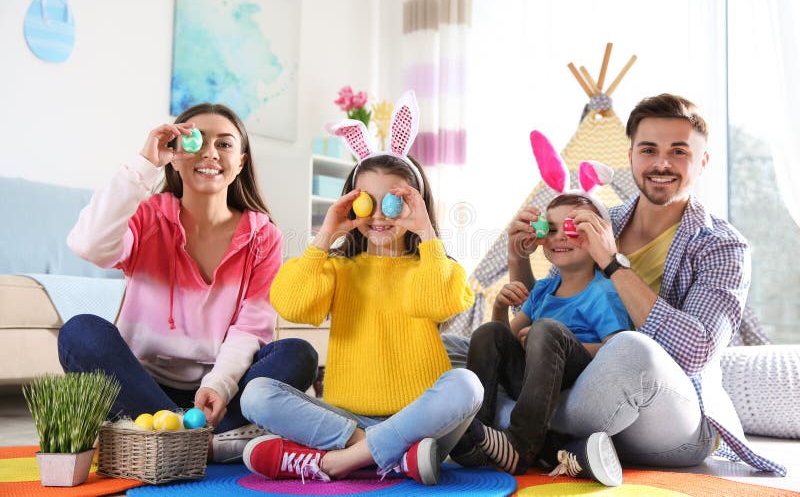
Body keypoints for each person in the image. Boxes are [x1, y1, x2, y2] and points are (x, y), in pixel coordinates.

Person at [450, 93, 786, 477]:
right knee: (450, 345)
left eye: (679, 151)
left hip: (668, 411)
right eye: (649, 150)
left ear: (703, 161)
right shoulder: (594, 218)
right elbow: (545, 309)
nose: (661, 163)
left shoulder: (722, 245)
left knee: (631, 350)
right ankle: (548, 444)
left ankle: (517, 435)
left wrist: (612, 263)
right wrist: (517, 257)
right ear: (630, 158)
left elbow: (695, 353)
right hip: (569, 389)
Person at [238, 91, 483, 486]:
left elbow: (438, 302)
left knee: (466, 385)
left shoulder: (435, 265)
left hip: (421, 423)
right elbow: (290, 303)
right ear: (352, 205)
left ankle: (337, 461)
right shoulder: (337, 268)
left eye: (396, 202)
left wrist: (425, 232)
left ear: (418, 205)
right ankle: (376, 453)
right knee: (256, 393)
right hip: (346, 420)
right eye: (368, 202)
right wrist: (324, 236)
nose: (381, 215)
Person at [58, 103, 319, 463]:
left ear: (240, 162)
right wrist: (143, 165)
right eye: (197, 141)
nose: (210, 152)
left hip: (221, 394)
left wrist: (218, 385)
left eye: (225, 144)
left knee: (298, 354)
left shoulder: (264, 236)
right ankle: (210, 442)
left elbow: (251, 328)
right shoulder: (147, 216)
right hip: (142, 383)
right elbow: (88, 245)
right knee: (79, 333)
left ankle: (169, 439)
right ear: (176, 157)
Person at [451, 133, 629, 487]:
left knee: (547, 329)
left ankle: (520, 445)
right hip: (532, 378)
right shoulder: (545, 288)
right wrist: (500, 308)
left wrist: (552, 343)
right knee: (488, 331)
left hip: (575, 381)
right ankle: (478, 433)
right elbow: (506, 339)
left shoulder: (602, 293)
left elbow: (616, 349)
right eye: (550, 228)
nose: (559, 238)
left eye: (572, 228)